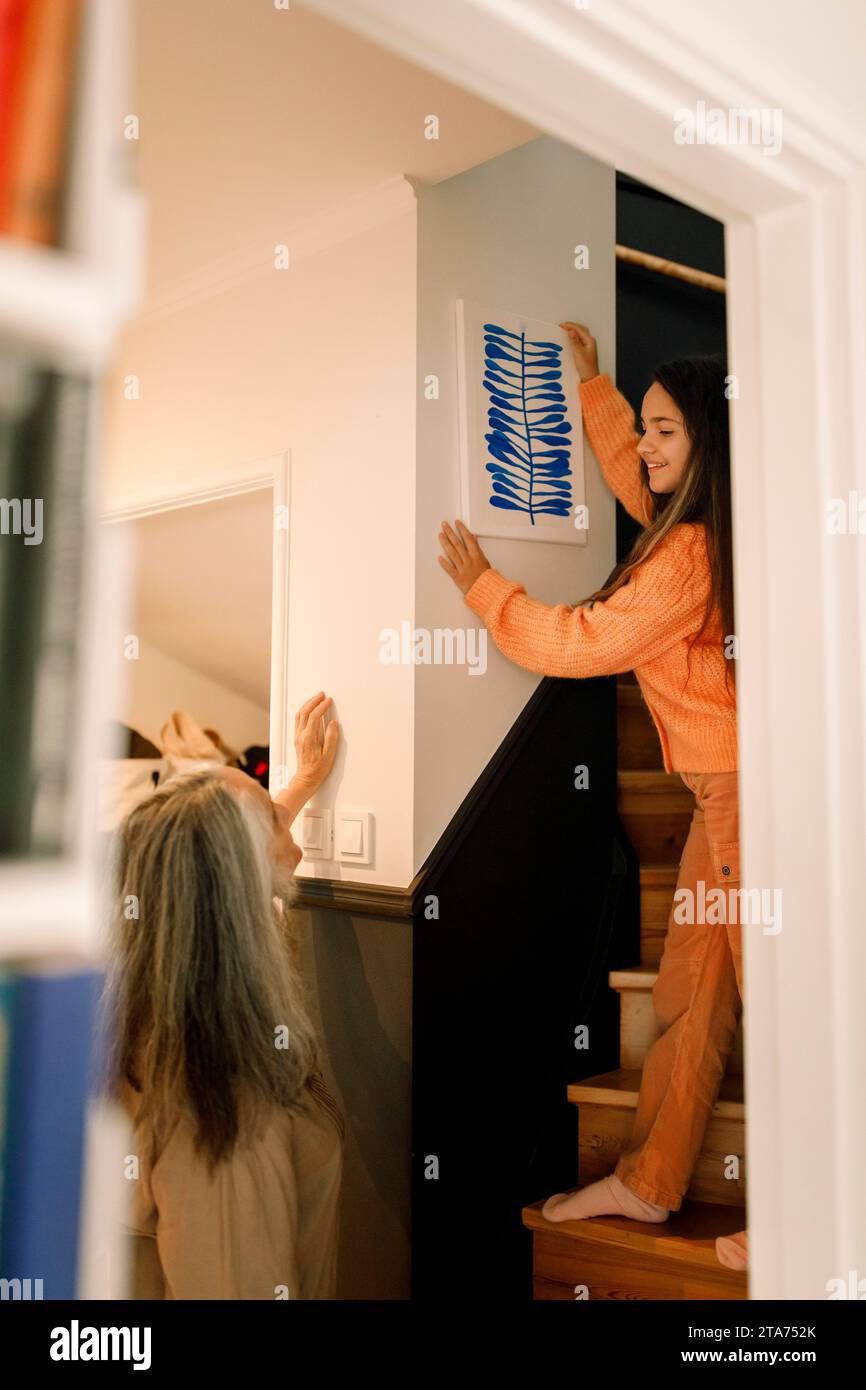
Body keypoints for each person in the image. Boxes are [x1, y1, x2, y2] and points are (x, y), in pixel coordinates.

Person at [437, 323, 747, 1273]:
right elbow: (630, 477)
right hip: (720, 799)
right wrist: (596, 392)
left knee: (788, 1009)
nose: (646, 449)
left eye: (665, 431)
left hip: (749, 799)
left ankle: (816, 1213)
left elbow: (575, 644)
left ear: (707, 443)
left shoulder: (690, 556)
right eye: (644, 430)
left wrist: (487, 588)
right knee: (691, 997)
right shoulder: (693, 530)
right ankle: (652, 1182)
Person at [102, 693, 345, 1298]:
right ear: (237, 891)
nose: (285, 823)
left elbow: (219, 852)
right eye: (271, 815)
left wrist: (299, 784)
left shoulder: (146, 1016)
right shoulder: (222, 1107)